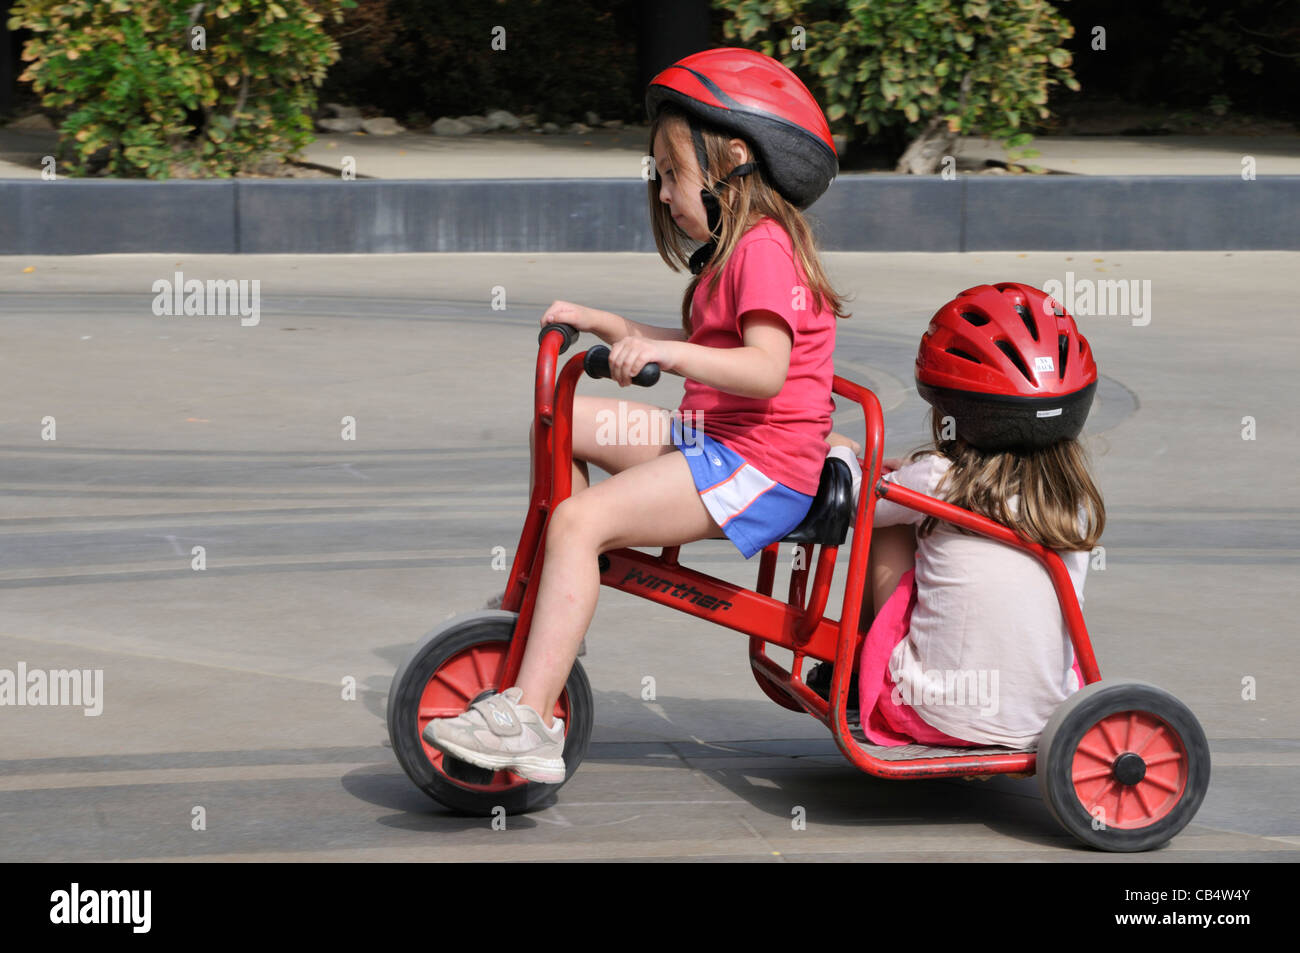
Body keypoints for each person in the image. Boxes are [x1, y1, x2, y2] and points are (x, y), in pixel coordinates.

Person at [423, 47, 849, 783]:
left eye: (671, 174)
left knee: (580, 522)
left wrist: (672, 360)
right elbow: (708, 345)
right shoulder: (733, 252)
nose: (662, 194)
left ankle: (528, 721)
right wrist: (618, 327)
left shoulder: (766, 249)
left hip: (761, 467)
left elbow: (764, 369)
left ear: (732, 162)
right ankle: (554, 593)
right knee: (567, 421)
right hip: (716, 442)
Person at [854, 282, 1105, 749]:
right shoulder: (1074, 501)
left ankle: (854, 665)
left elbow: (852, 502)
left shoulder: (935, 480)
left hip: (929, 713)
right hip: (1043, 723)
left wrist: (842, 455)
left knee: (883, 514)